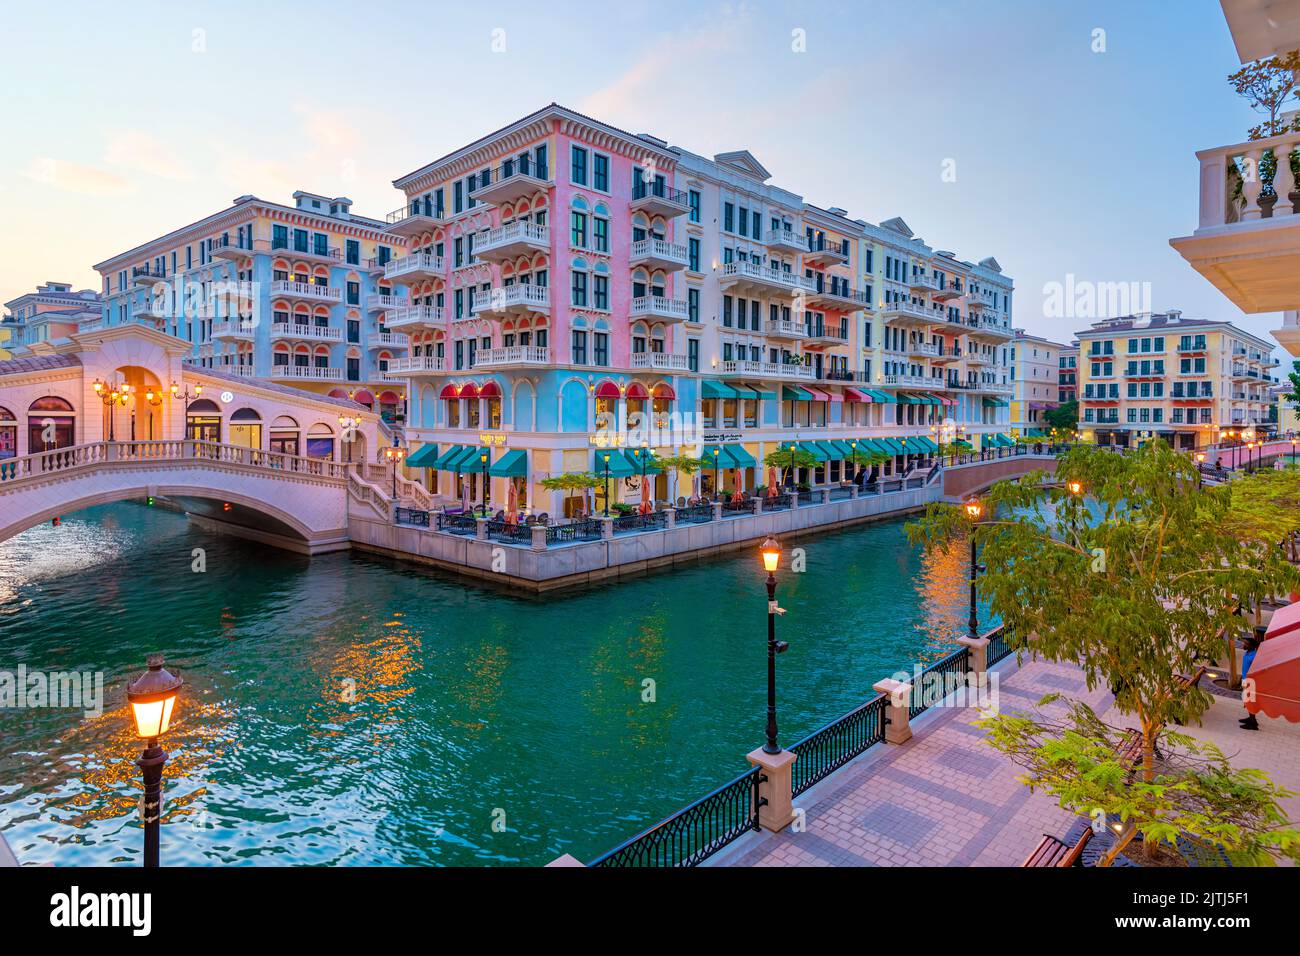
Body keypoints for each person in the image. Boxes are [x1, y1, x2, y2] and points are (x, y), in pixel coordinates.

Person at [1240, 632, 1262, 731]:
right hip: (1245, 679)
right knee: (1247, 701)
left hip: (1250, 682)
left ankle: (1253, 724)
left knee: (1250, 702)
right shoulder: (1248, 653)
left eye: (1246, 644)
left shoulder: (1254, 657)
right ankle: (1251, 719)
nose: (1243, 645)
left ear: (1251, 646)